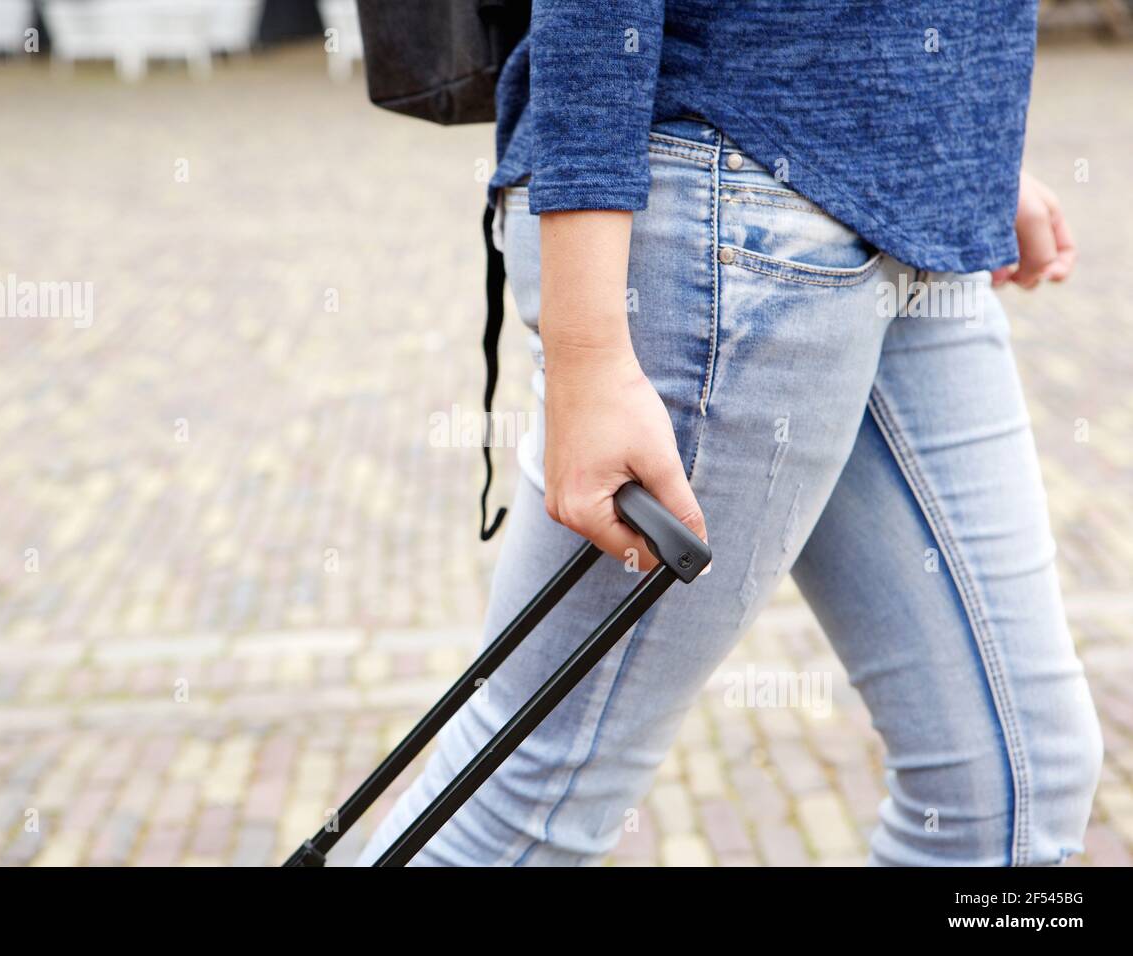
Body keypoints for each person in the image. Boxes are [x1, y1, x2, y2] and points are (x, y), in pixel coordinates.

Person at [358, 1, 1102, 866]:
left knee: (1011, 789)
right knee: (520, 804)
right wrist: (589, 347)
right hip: (719, 211)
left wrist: (953, 140)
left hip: (897, 212)